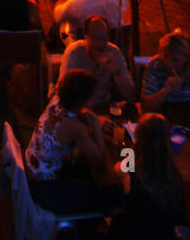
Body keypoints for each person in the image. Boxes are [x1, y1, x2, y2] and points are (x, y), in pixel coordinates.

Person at [25, 70, 122, 215]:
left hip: (33, 174)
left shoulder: (56, 101)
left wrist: (90, 118)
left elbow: (74, 114)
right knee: (114, 195)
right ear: (80, 101)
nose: (94, 101)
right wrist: (96, 126)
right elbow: (99, 159)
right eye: (91, 97)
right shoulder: (74, 127)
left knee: (92, 176)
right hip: (45, 189)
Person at [108, 113, 190, 240]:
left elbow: (116, 168)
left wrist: (130, 151)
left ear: (139, 137)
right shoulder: (174, 176)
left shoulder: (131, 170)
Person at [59, 15, 136, 108]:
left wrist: (117, 73)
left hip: (104, 106)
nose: (98, 43)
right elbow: (63, 93)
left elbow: (131, 96)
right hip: (77, 108)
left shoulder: (114, 52)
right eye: (94, 38)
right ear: (85, 36)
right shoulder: (74, 52)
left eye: (102, 38)